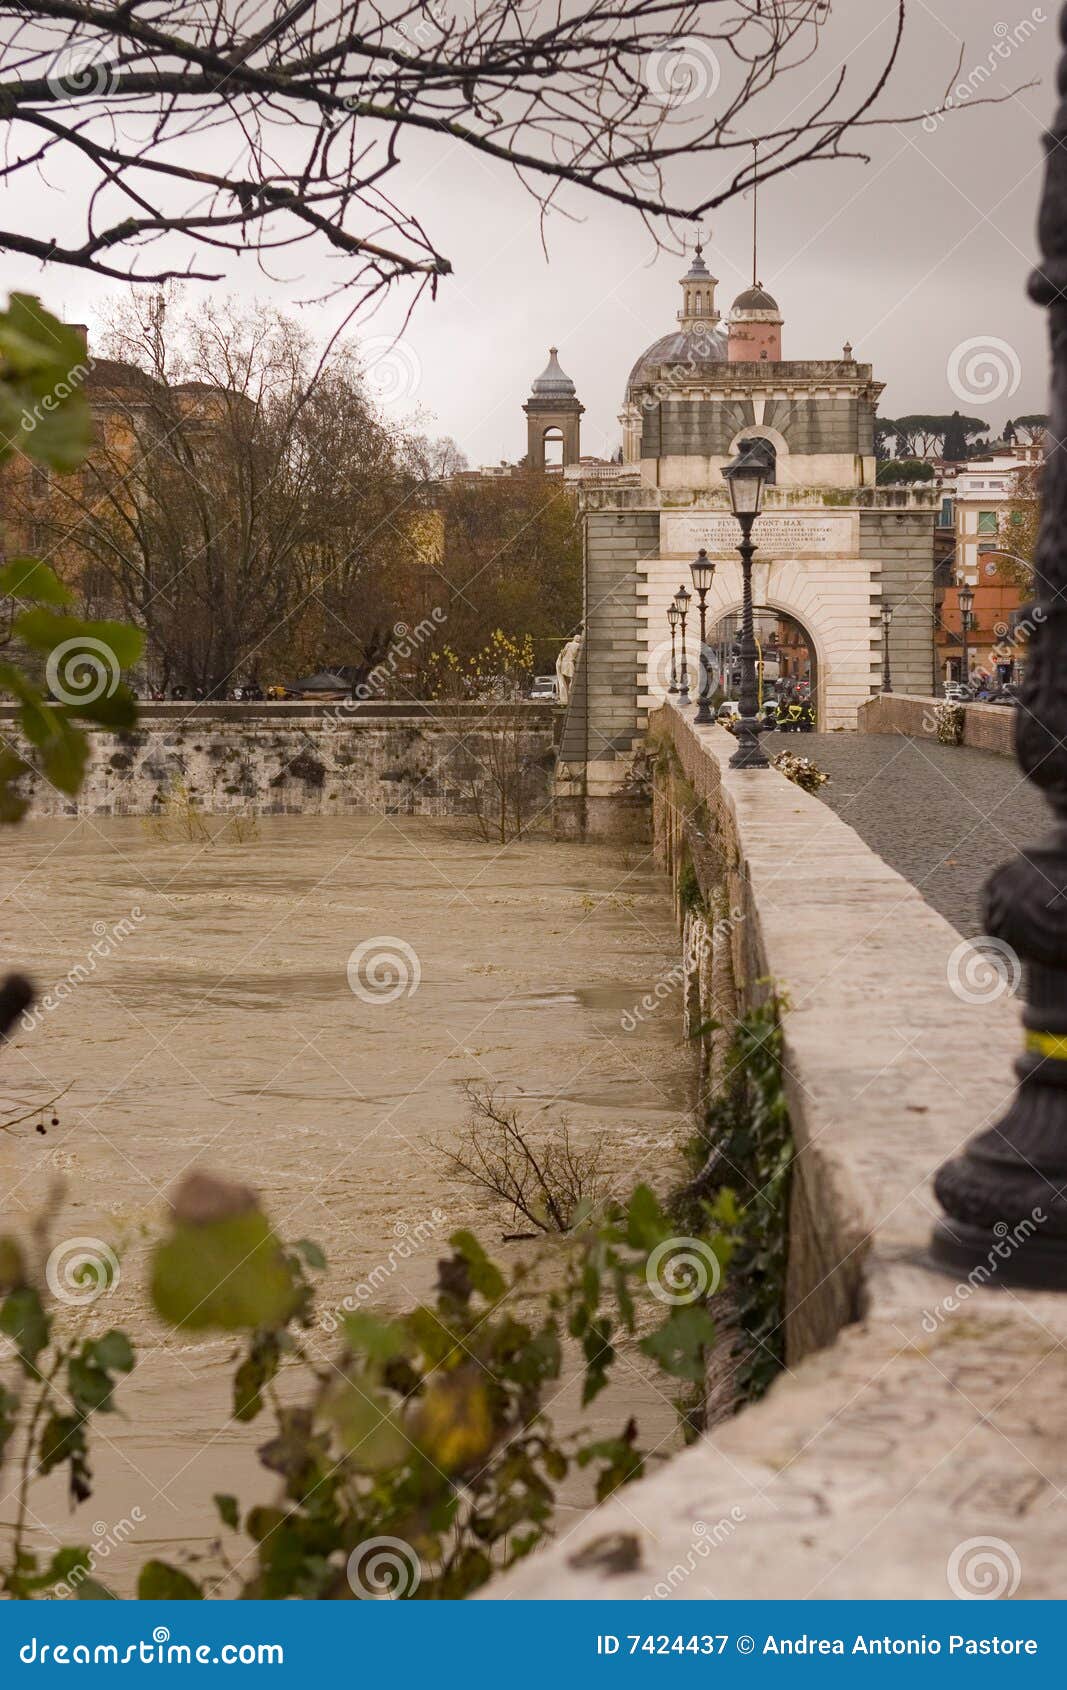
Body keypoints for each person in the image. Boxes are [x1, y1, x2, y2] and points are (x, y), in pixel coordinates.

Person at [556, 624, 584, 707]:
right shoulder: (578, 646)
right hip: (570, 663)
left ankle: (565, 696)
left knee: (564, 680)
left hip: (564, 663)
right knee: (572, 679)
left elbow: (563, 652)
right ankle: (570, 693)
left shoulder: (568, 644)